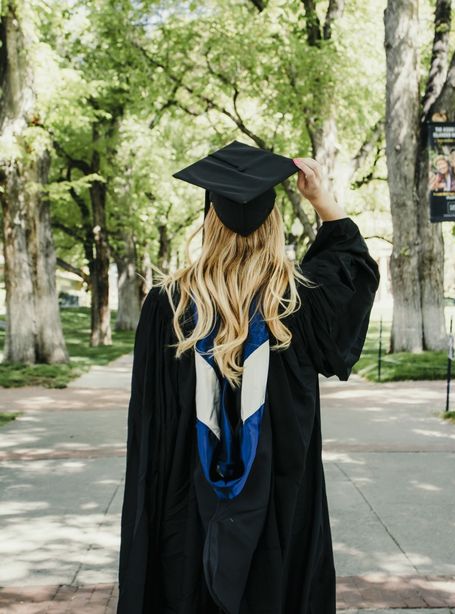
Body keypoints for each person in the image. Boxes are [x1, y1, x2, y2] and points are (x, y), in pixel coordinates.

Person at [116, 145, 380, 614]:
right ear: (273, 221)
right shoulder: (300, 304)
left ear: (208, 221)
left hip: (187, 505)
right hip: (281, 502)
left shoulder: (167, 306)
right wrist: (323, 201)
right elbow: (353, 267)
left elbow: (149, 425)